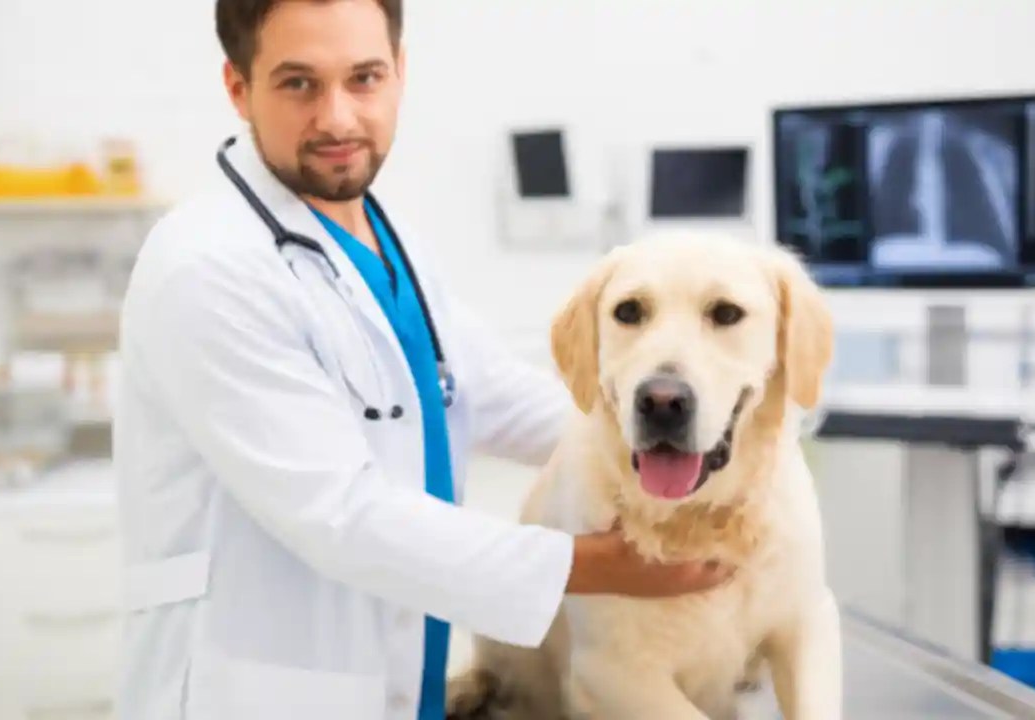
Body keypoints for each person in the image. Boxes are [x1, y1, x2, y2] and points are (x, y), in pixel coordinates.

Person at [112, 1, 733, 718]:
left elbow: (494, 393)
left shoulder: (385, 236)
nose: (338, 118)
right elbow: (341, 513)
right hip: (254, 692)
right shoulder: (207, 267)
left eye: (364, 78)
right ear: (238, 86)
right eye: (299, 83)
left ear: (399, 71)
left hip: (396, 680)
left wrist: (706, 436)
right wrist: (599, 566)